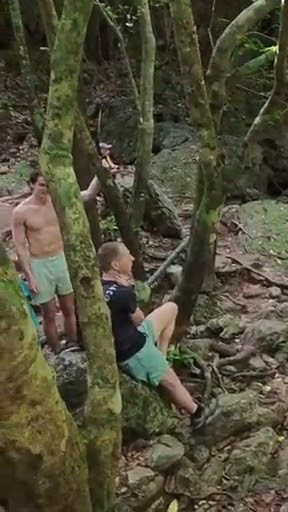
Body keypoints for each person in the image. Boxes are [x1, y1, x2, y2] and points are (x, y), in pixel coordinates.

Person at [99, 241, 216, 428]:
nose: (132, 258)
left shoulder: (99, 287)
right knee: (171, 381)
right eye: (127, 255)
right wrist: (129, 290)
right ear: (115, 265)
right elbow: (139, 318)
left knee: (171, 308)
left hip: (133, 336)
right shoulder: (122, 292)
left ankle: (161, 356)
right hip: (133, 351)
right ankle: (196, 412)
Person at [12, 167, 103, 353]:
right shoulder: (21, 212)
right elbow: (20, 246)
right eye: (41, 185)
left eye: (48, 185)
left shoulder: (57, 201)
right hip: (39, 263)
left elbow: (88, 194)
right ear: (32, 185)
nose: (45, 189)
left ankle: (73, 343)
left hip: (60, 259)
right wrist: (29, 276)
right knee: (49, 313)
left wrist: (102, 171)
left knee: (69, 307)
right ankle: (56, 349)